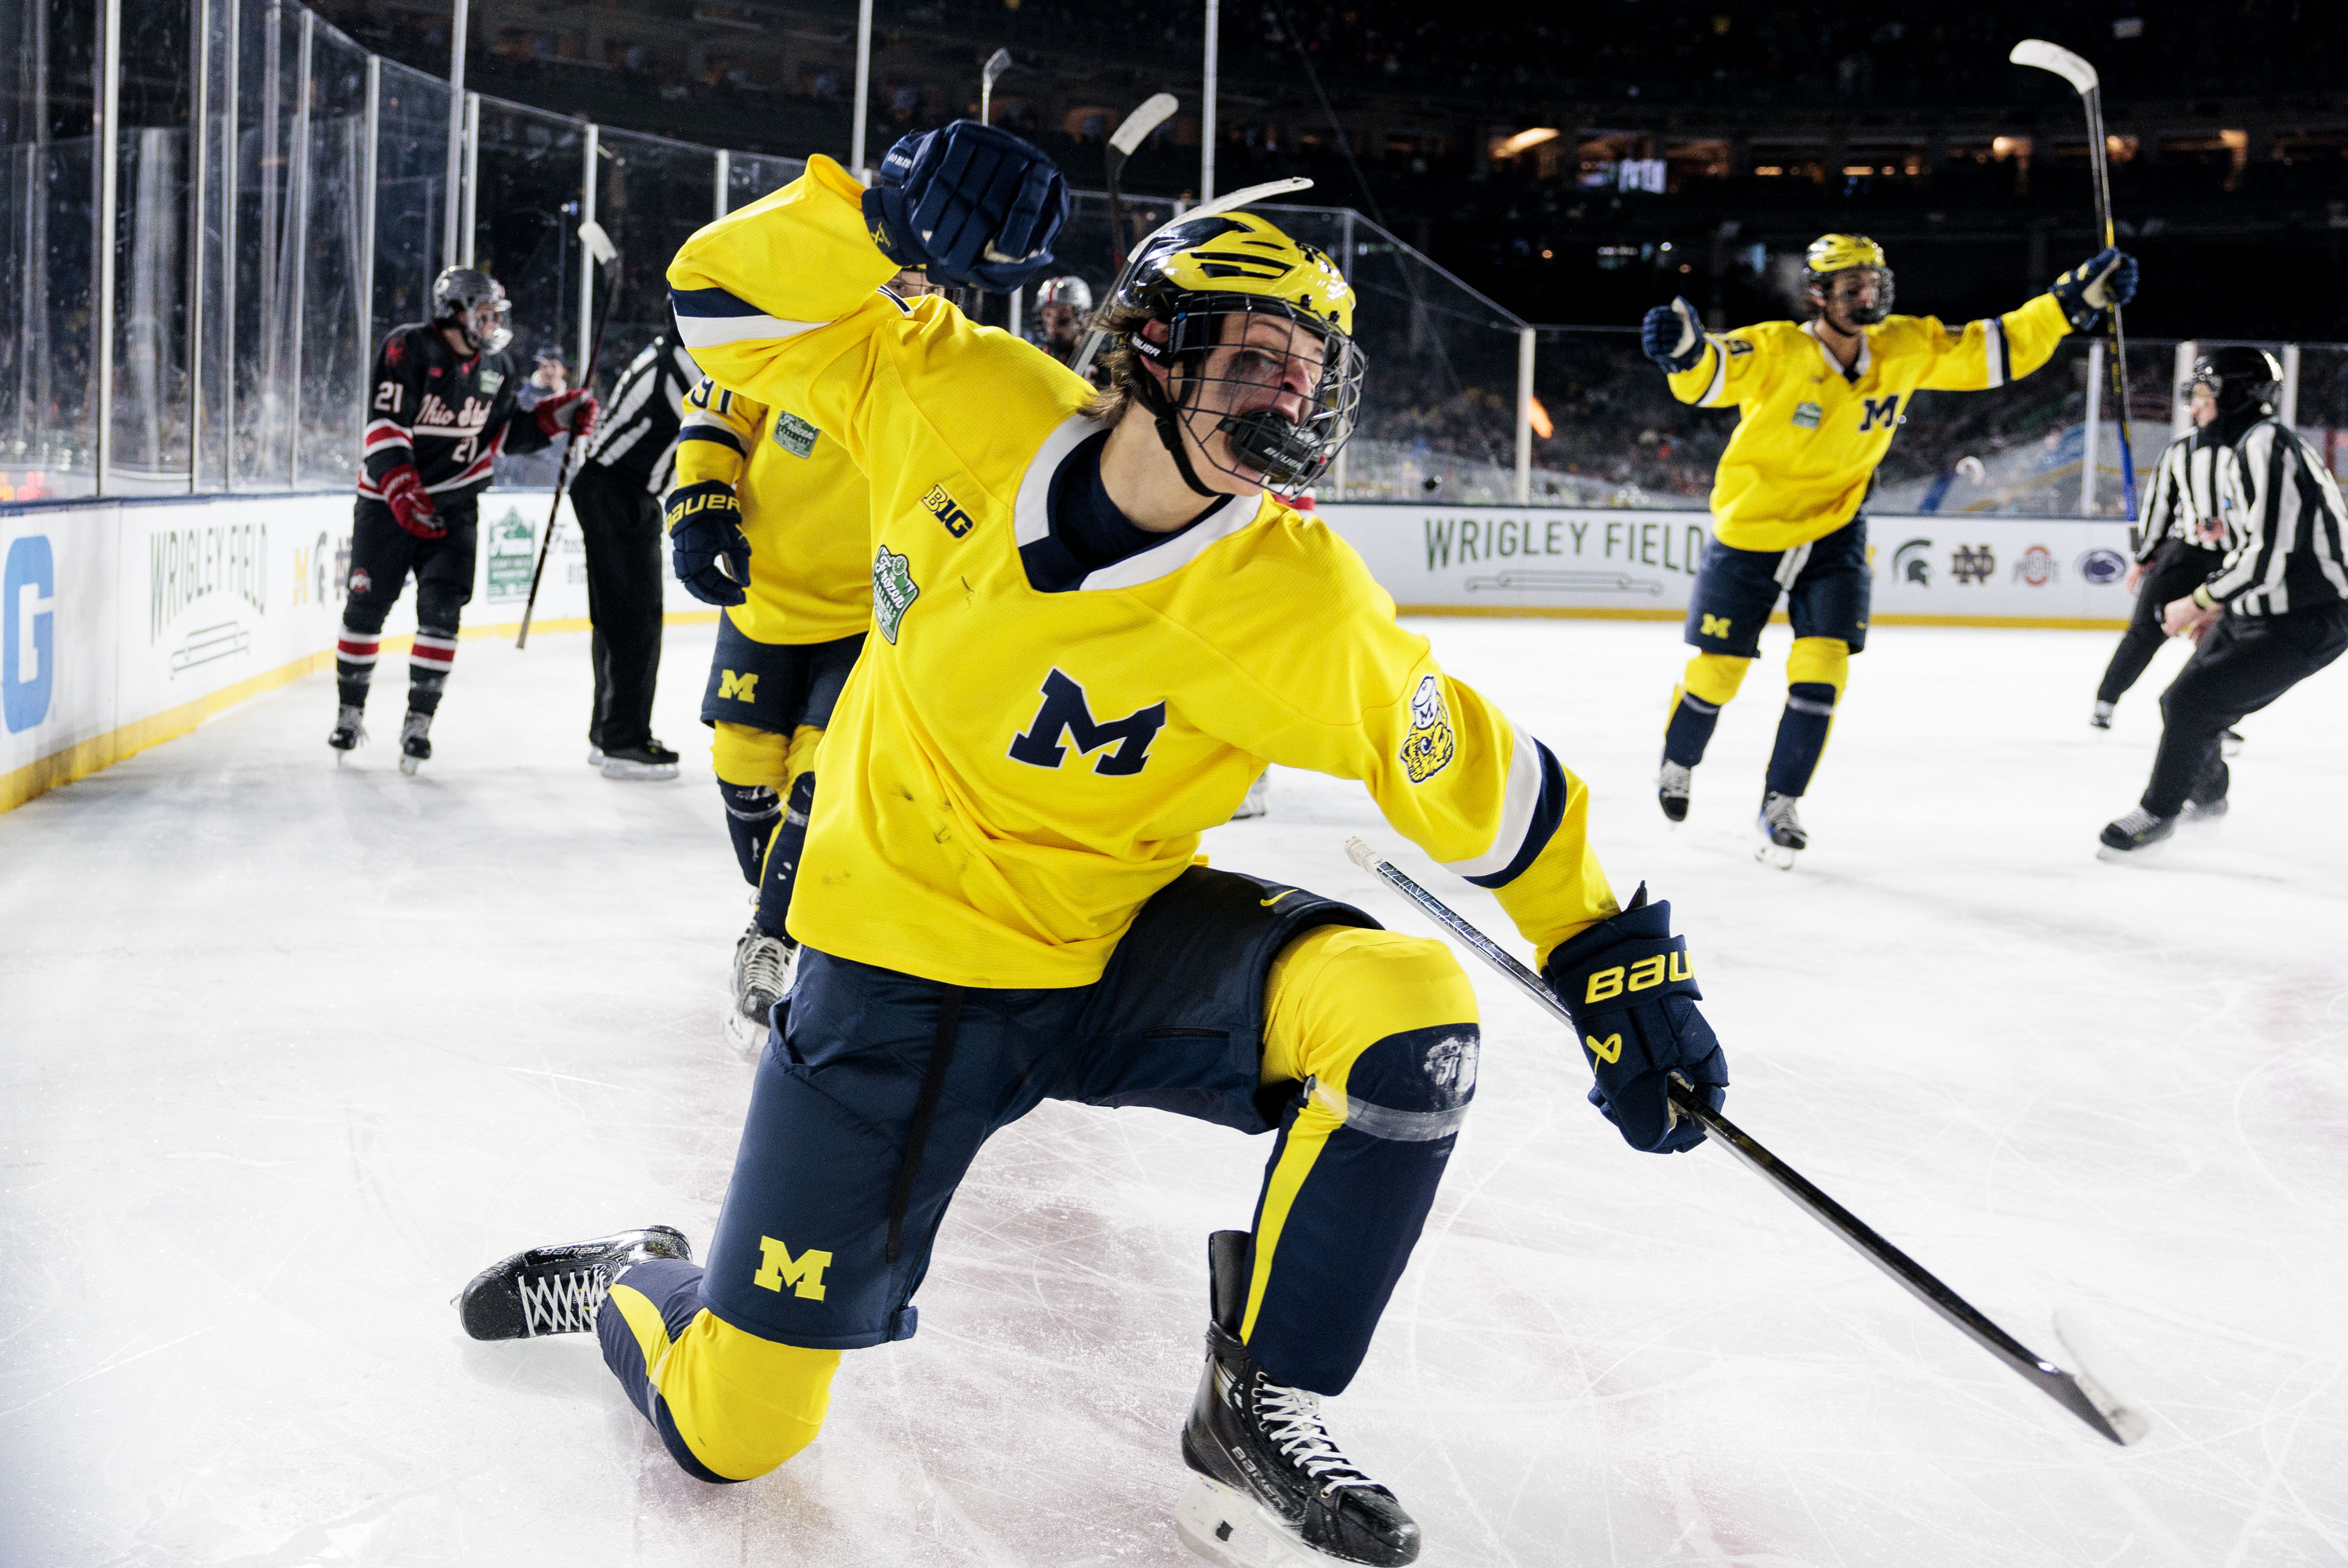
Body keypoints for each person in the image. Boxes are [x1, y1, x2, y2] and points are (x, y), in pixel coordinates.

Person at [458, 122, 1729, 1568]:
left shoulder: (1295, 598)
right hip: (889, 977)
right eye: (1254, 362)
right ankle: (644, 1277)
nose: (1291, 405)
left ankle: (1260, 1399)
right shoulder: (963, 394)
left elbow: (1482, 779)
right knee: (737, 1433)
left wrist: (1607, 954)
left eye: (1312, 376)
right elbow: (721, 306)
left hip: (1115, 951)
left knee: (1411, 1015)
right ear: (1148, 353)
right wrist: (874, 219)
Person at [1642, 232, 2136, 865]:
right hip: (1751, 533)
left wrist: (2070, 304)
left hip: (1836, 527)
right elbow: (1710, 372)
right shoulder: (1778, 347)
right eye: (1852, 287)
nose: (1867, 296)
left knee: (1823, 672)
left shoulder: (1904, 344)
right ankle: (1678, 762)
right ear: (1819, 295)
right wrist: (1683, 353)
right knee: (1719, 674)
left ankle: (1780, 804)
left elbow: (1994, 347)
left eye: (1873, 284)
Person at [664, 265, 942, 1051]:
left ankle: (774, 938)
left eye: (923, 272)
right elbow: (718, 404)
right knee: (743, 771)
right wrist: (699, 501)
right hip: (763, 598)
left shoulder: (937, 362)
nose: (909, 282)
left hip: (865, 614)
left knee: (820, 782)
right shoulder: (793, 319)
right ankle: (787, 905)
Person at [331, 267, 597, 773]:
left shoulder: (496, 365)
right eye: (484, 312)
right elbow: (385, 428)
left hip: (454, 504)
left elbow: (500, 436)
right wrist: (402, 491)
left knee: (441, 613)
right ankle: (349, 712)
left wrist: (556, 416)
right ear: (454, 311)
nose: (493, 321)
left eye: (496, 312)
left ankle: (418, 723)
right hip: (387, 504)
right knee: (366, 609)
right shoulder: (407, 349)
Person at [2097, 347, 2348, 858]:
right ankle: (2209, 793)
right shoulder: (2250, 448)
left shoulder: (2268, 447)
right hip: (2265, 610)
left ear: (2236, 396)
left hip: (2306, 620)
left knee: (2193, 703)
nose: (2194, 408)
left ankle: (2158, 813)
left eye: (2205, 396)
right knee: (2180, 702)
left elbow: (2267, 557)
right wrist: (2219, 606)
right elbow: (2257, 550)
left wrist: (2195, 601)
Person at [570, 322, 704, 780]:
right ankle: (622, 739)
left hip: (616, 491)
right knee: (634, 620)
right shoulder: (679, 367)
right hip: (617, 493)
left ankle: (608, 731)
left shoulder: (668, 354)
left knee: (618, 619)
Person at [2090, 372, 2234, 730]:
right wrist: (2145, 557)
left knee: (2227, 641)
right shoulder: (2180, 451)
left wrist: (2229, 526)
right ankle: (2106, 700)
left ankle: (2215, 716)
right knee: (2145, 632)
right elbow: (2160, 507)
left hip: (2237, 560)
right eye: (2194, 398)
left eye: (2204, 398)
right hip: (2184, 555)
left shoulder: (2254, 450)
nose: (2195, 407)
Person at [1027, 273, 1093, 368]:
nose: (1053, 327)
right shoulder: (1034, 359)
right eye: (1048, 315)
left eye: (1063, 318)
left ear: (1084, 317)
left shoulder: (1103, 363)